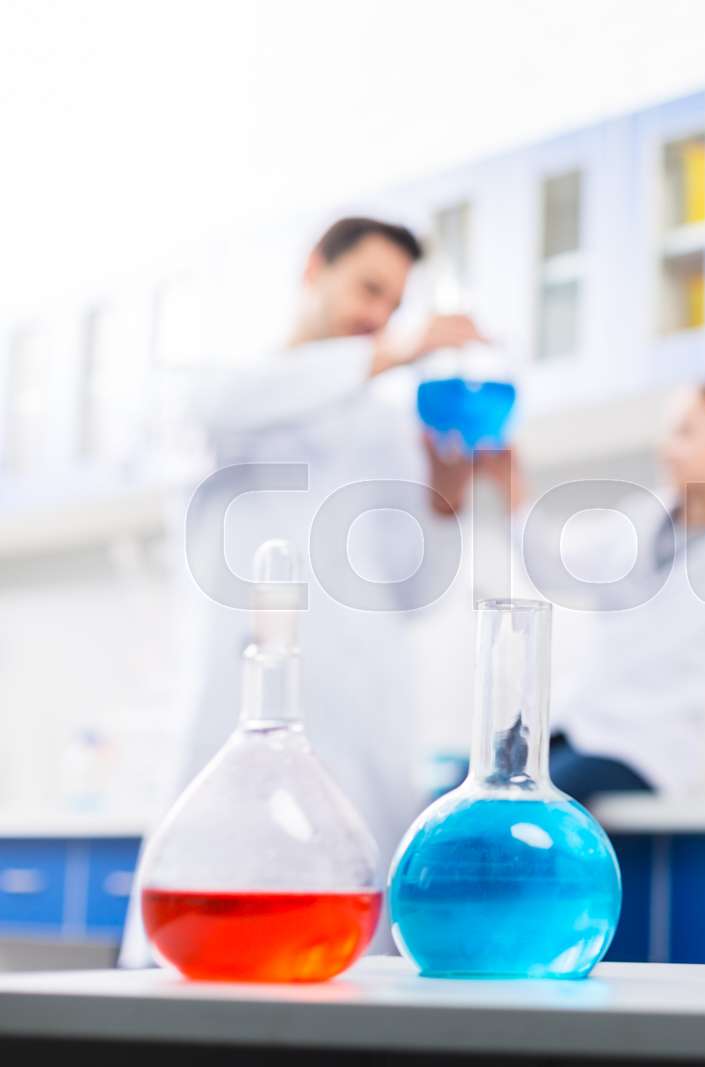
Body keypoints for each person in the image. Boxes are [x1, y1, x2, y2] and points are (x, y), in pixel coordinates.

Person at [125, 217, 483, 963]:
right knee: (211, 953)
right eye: (369, 289)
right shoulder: (221, 394)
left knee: (356, 970)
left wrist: (447, 499)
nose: (378, 315)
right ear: (315, 268)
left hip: (364, 720)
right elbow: (230, 406)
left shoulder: (389, 427)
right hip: (242, 711)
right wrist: (392, 351)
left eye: (393, 305)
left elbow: (413, 592)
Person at [430, 376, 705, 805]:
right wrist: (511, 487)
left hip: (647, 750)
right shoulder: (647, 514)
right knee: (453, 798)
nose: (666, 447)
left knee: (519, 807)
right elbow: (558, 569)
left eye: (685, 432)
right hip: (578, 727)